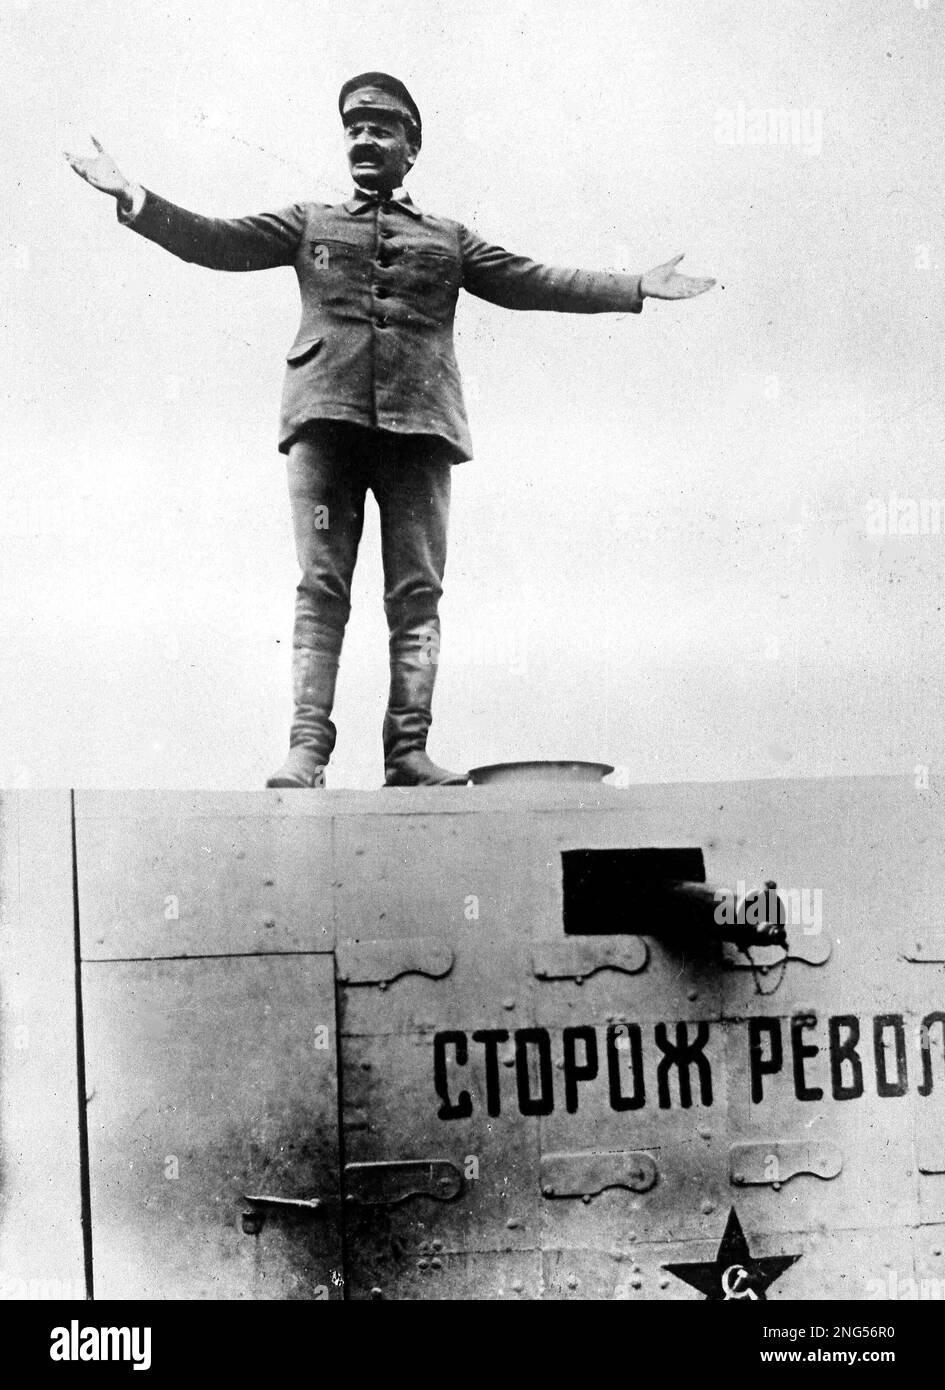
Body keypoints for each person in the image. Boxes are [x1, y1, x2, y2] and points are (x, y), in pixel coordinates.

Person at [66, 72, 715, 788]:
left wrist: (633, 288)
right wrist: (134, 196)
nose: (363, 139)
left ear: (412, 145)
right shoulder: (308, 221)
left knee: (416, 593)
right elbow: (217, 241)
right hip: (325, 421)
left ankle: (407, 753)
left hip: (419, 427)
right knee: (320, 587)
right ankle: (306, 753)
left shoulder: (448, 237)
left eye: (380, 127)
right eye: (354, 128)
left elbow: (531, 280)